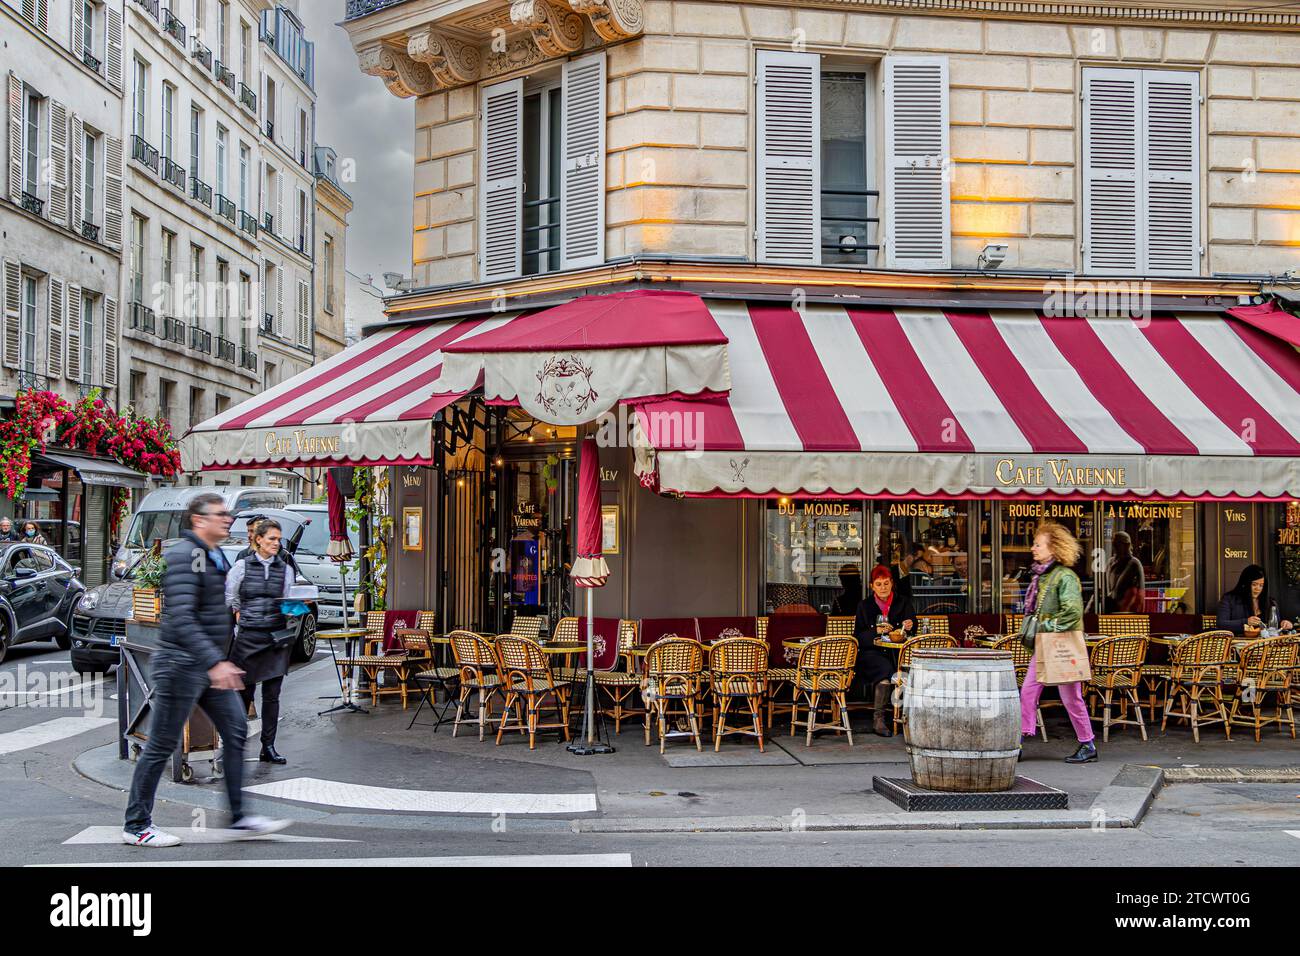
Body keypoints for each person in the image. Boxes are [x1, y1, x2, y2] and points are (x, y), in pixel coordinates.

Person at [122, 493, 288, 847]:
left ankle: (239, 818)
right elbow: (181, 617)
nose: (227, 520)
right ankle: (137, 824)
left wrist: (219, 660)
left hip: (207, 665)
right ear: (199, 521)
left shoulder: (212, 555)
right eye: (219, 514)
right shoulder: (188, 555)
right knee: (162, 744)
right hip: (182, 666)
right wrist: (215, 661)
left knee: (236, 728)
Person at [1017, 521, 1097, 764]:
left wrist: (1046, 626)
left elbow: (1073, 613)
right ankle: (1017, 743)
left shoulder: (1065, 576)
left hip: (1061, 647)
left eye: (1038, 544)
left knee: (1071, 698)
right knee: (1028, 692)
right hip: (1045, 646)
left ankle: (1088, 743)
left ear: (1053, 549)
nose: (1033, 548)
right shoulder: (1042, 575)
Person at [225, 518, 295, 764]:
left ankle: (268, 747)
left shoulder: (286, 569)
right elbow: (230, 597)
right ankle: (234, 746)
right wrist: (238, 616)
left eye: (279, 539)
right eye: (272, 539)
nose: (277, 543)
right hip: (248, 637)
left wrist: (299, 606)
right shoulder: (241, 567)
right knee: (243, 695)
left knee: (272, 696)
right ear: (258, 540)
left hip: (275, 637)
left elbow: (288, 603)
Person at [853, 565, 916, 737]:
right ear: (871, 586)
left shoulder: (903, 602)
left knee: (897, 669)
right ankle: (879, 719)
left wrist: (909, 625)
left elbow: (912, 626)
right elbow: (858, 636)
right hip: (871, 653)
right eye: (879, 584)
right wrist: (876, 632)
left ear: (892, 584)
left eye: (886, 583)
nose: (883, 588)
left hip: (896, 652)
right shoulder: (864, 606)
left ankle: (905, 717)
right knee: (885, 671)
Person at [1217, 564, 1293, 635]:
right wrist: (1246, 622)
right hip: (1237, 644)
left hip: (1264, 645)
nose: (1258, 589)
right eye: (1254, 584)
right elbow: (1221, 624)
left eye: (1261, 585)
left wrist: (1284, 624)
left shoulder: (1270, 602)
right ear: (1245, 583)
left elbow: (1275, 626)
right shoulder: (1229, 599)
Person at [1104, 531, 1145, 613]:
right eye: (1114, 544)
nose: (1114, 547)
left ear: (1126, 545)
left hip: (1127, 610)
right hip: (1110, 608)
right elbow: (1106, 587)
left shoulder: (1134, 563)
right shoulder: (1110, 562)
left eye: (1117, 544)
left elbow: (1141, 593)